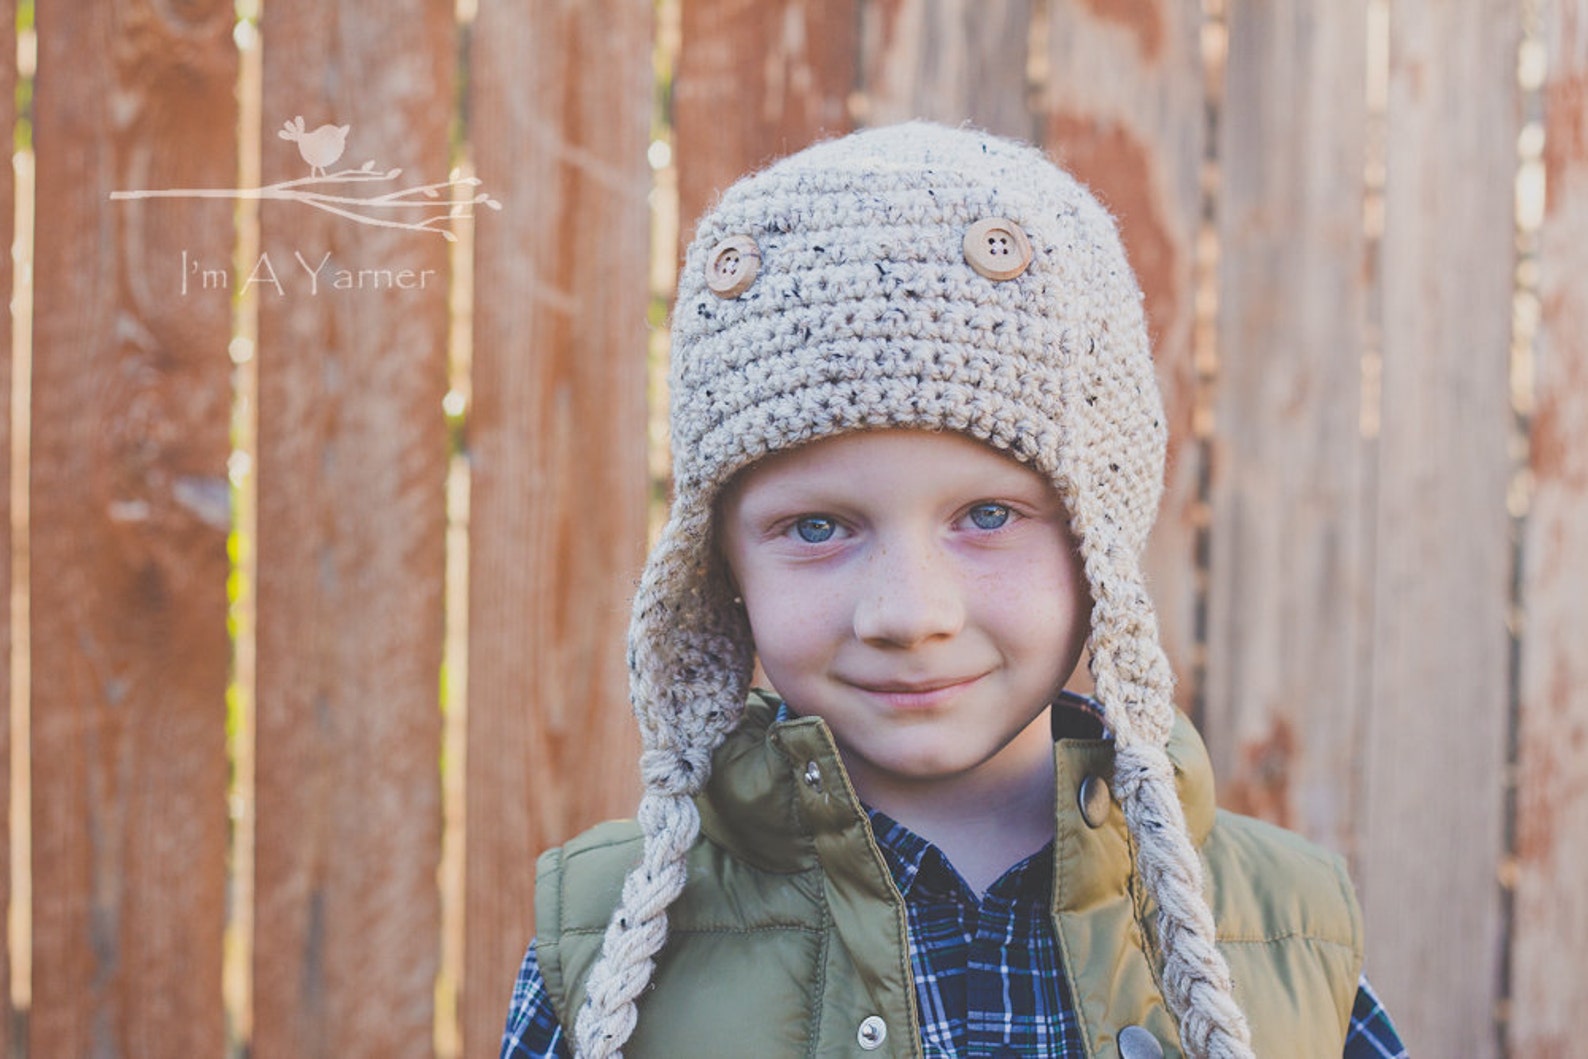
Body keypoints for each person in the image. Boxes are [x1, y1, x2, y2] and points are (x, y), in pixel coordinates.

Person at [501, 122, 1407, 1058]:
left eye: (988, 516)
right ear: (719, 565)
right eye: (818, 528)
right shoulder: (610, 944)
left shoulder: (1288, 938)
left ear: (1101, 534)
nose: (909, 614)